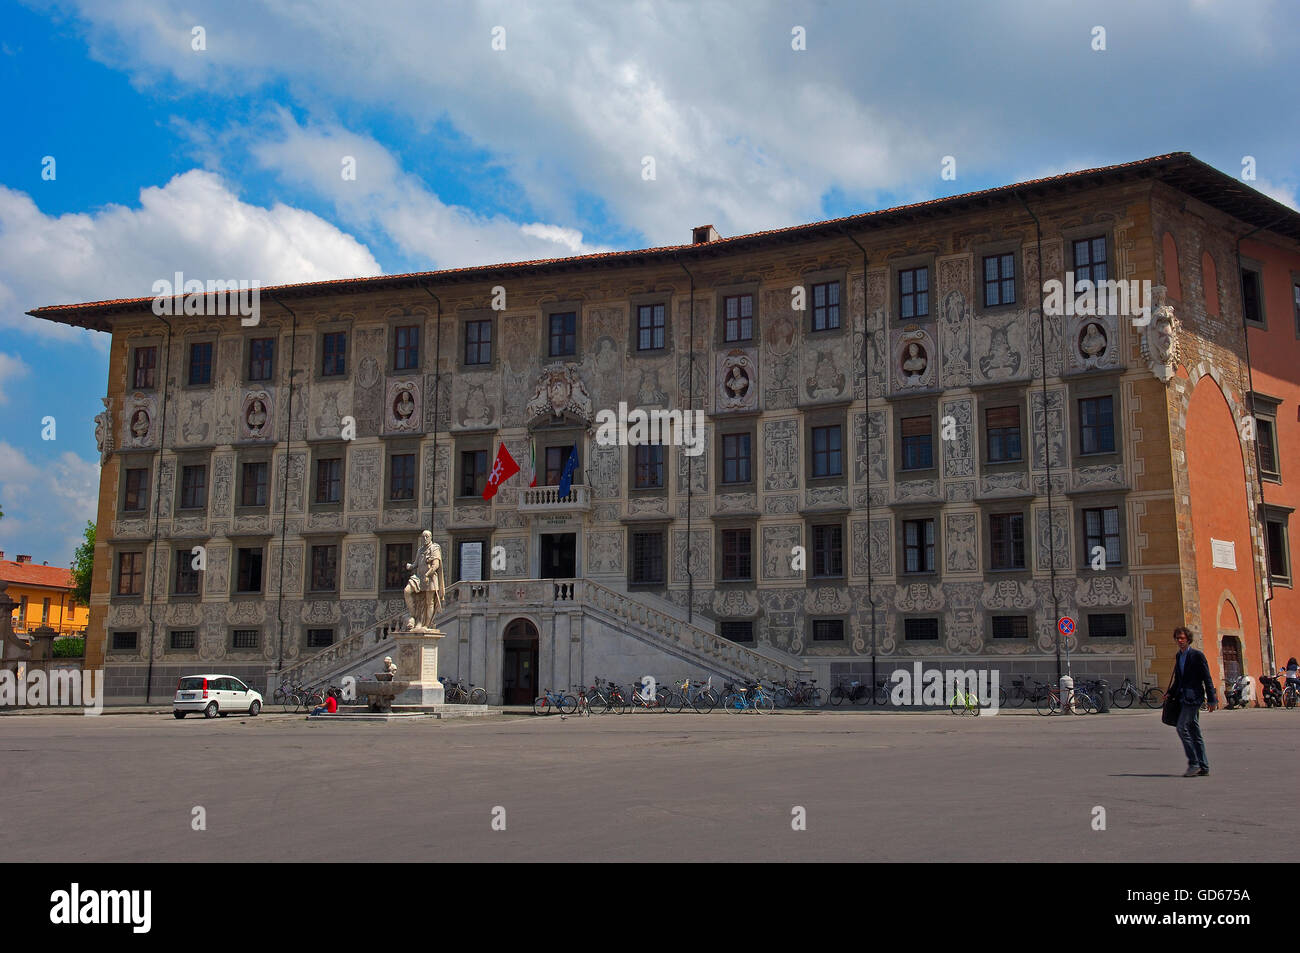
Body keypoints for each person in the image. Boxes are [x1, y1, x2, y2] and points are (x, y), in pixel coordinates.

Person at [1169, 626, 1217, 777]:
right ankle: (1204, 766)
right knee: (1194, 732)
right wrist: (1170, 693)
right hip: (1183, 697)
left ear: (1188, 639)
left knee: (1181, 727)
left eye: (1182, 638)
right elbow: (1178, 679)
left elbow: (1207, 678)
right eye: (1177, 638)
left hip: (1194, 697)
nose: (1180, 641)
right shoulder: (1179, 656)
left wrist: (1212, 699)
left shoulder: (1197, 656)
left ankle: (1194, 763)